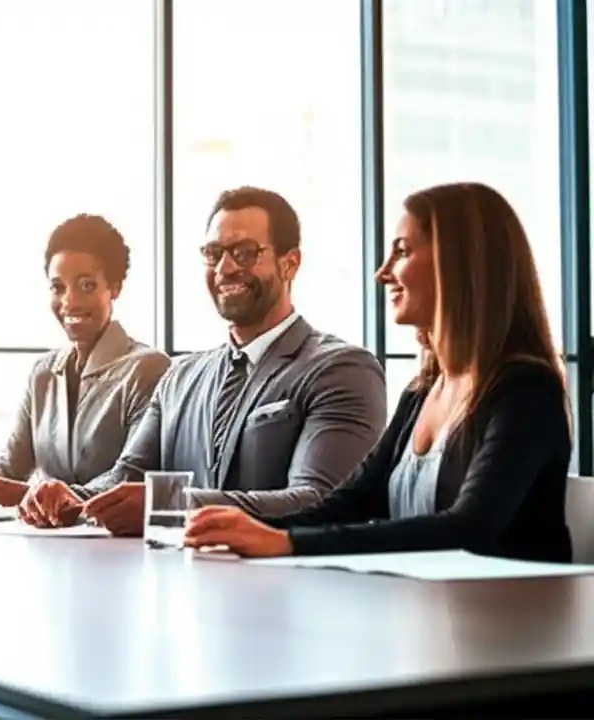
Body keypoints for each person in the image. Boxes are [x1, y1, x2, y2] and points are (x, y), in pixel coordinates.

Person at [183, 182, 572, 562]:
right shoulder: (424, 391)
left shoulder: (525, 391)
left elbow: (469, 529)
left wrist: (286, 544)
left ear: (459, 263)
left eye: (401, 252)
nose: (382, 273)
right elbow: (351, 502)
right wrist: (251, 530)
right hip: (433, 613)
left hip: (513, 619)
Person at [20, 186, 387, 535]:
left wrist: (174, 505)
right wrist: (67, 497)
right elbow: (128, 475)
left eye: (244, 252)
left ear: (290, 264)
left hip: (286, 591)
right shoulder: (180, 376)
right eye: (213, 254)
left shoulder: (342, 370)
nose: (225, 268)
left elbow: (319, 501)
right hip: (183, 587)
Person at [0, 214, 169, 506]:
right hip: (48, 541)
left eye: (86, 285)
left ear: (114, 288)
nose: (70, 301)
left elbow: (129, 477)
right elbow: (11, 469)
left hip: (115, 543)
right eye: (58, 287)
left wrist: (29, 494)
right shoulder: (43, 374)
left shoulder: (148, 368)